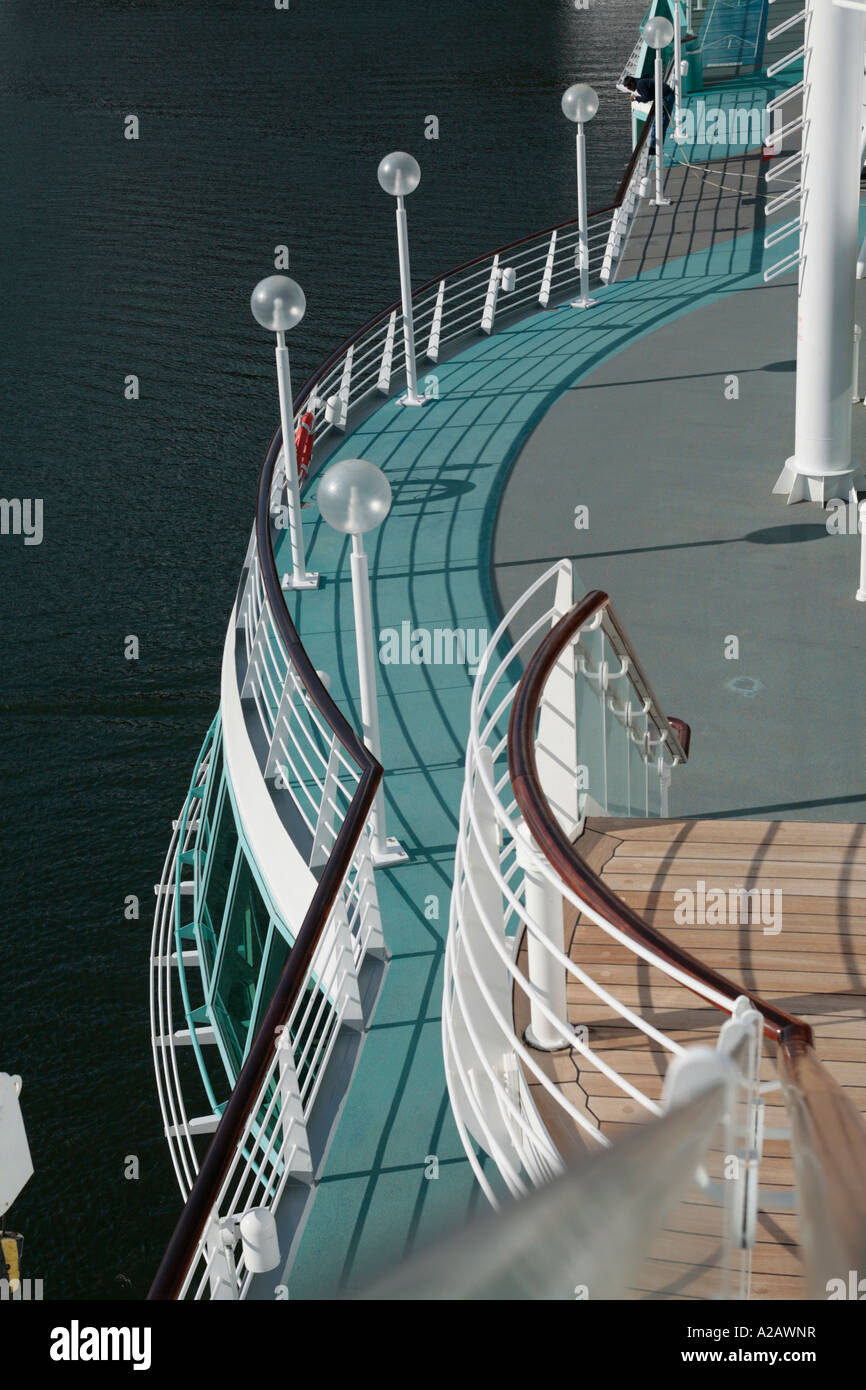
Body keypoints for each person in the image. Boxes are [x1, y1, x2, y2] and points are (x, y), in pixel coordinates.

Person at [622, 73, 675, 154]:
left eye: (629, 88)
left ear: (632, 83)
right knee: (656, 124)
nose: (630, 90)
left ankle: (656, 148)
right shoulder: (640, 81)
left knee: (662, 124)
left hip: (666, 98)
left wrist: (635, 98)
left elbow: (647, 98)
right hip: (664, 96)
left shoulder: (640, 85)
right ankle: (654, 146)